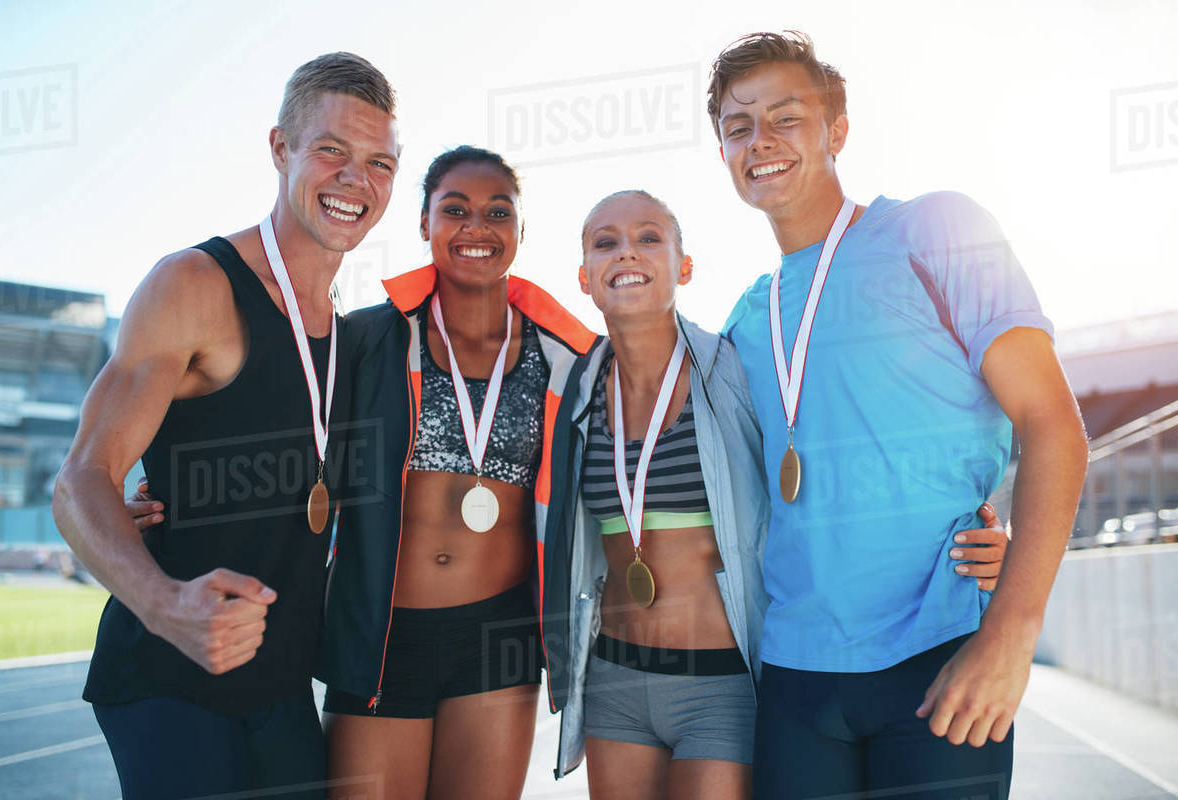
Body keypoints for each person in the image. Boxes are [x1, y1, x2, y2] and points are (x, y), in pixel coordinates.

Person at [710, 31, 1089, 799]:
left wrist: (1012, 634)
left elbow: (1051, 427)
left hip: (940, 658)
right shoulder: (747, 317)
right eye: (738, 126)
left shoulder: (938, 230)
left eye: (786, 117)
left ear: (836, 130)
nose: (762, 142)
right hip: (793, 677)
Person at [539, 190, 1009, 799]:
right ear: (584, 276)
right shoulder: (572, 390)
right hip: (617, 682)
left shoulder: (735, 365)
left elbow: (842, 439)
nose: (626, 252)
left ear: (685, 266)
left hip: (719, 684)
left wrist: (978, 525)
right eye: (605, 243)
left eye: (649, 237)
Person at [53, 52, 400, 799]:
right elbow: (81, 479)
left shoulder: (346, 336)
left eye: (379, 162)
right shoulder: (196, 284)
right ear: (281, 149)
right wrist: (165, 604)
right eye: (331, 151)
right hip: (166, 679)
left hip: (277, 688)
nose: (355, 180)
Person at [314, 145, 597, 800]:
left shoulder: (568, 359)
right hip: (384, 634)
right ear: (424, 225)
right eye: (456, 209)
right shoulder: (368, 339)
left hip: (500, 638)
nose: (478, 227)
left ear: (521, 231)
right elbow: (293, 432)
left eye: (498, 212)